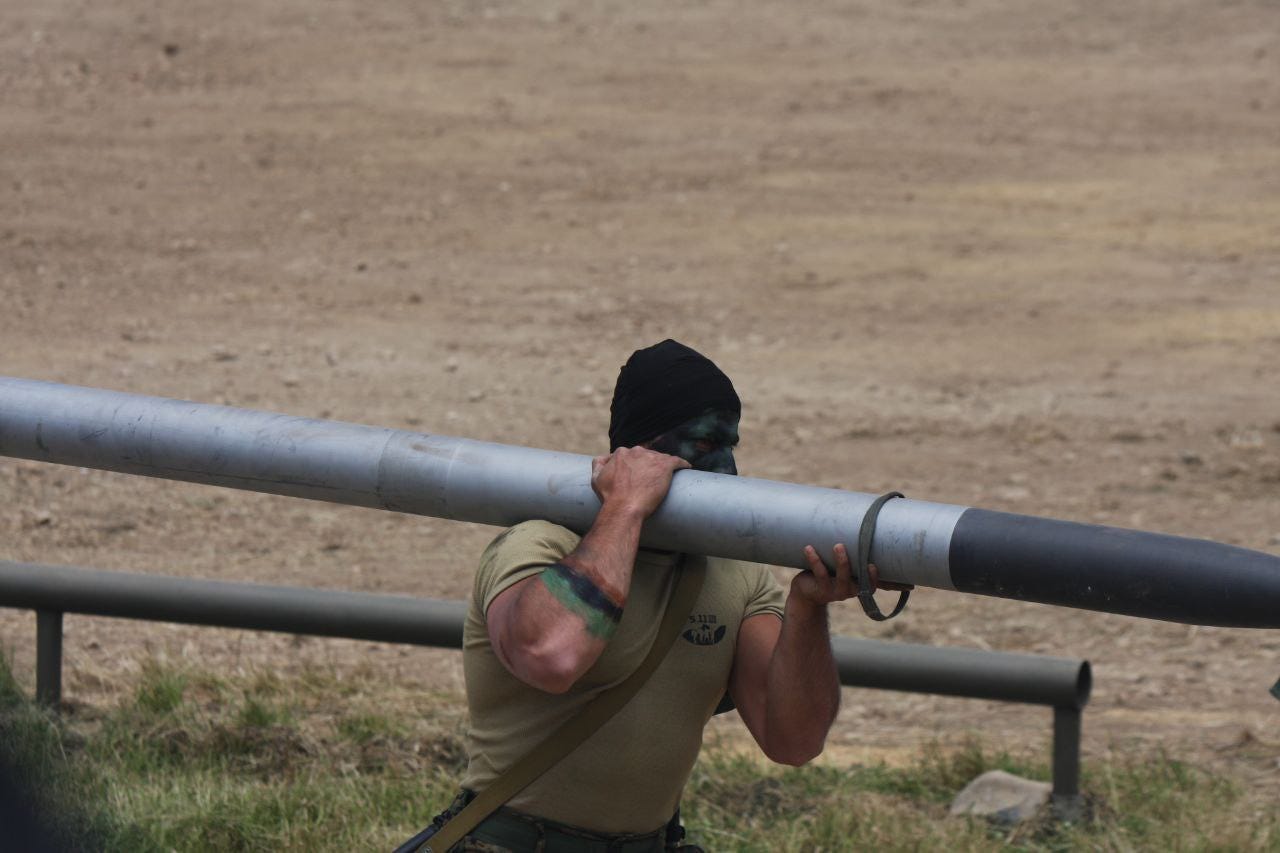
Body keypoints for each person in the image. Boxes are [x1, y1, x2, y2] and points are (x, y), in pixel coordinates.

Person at [422, 340, 882, 852]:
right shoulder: (538, 545)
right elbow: (552, 656)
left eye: (732, 445)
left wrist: (807, 608)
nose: (727, 470)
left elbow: (793, 740)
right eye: (705, 446)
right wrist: (625, 508)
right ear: (641, 451)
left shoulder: (738, 578)